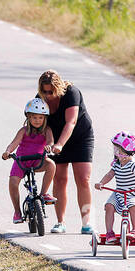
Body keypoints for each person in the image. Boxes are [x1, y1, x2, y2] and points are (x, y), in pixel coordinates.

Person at [37, 70, 96, 234]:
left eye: (51, 92)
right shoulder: (40, 98)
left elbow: (71, 122)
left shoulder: (71, 92)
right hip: (55, 138)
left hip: (80, 137)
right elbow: (42, 123)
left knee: (83, 178)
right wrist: (50, 142)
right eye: (45, 91)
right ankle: (60, 222)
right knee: (60, 179)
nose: (48, 95)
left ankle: (86, 223)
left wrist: (61, 144)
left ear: (58, 88)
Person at [1, 97, 58, 223]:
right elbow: (14, 143)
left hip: (38, 160)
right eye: (34, 117)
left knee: (52, 165)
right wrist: (8, 152)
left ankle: (43, 194)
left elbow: (50, 141)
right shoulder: (23, 130)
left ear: (45, 118)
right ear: (28, 117)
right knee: (13, 182)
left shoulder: (47, 130)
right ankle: (17, 212)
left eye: (40, 117)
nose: (37, 120)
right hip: (21, 161)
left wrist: (49, 146)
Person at [93, 131, 135, 241]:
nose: (114, 151)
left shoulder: (133, 165)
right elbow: (110, 174)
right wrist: (101, 183)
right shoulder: (117, 164)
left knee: (133, 207)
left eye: (117, 149)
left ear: (126, 151)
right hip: (119, 193)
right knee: (109, 206)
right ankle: (109, 233)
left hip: (132, 193)